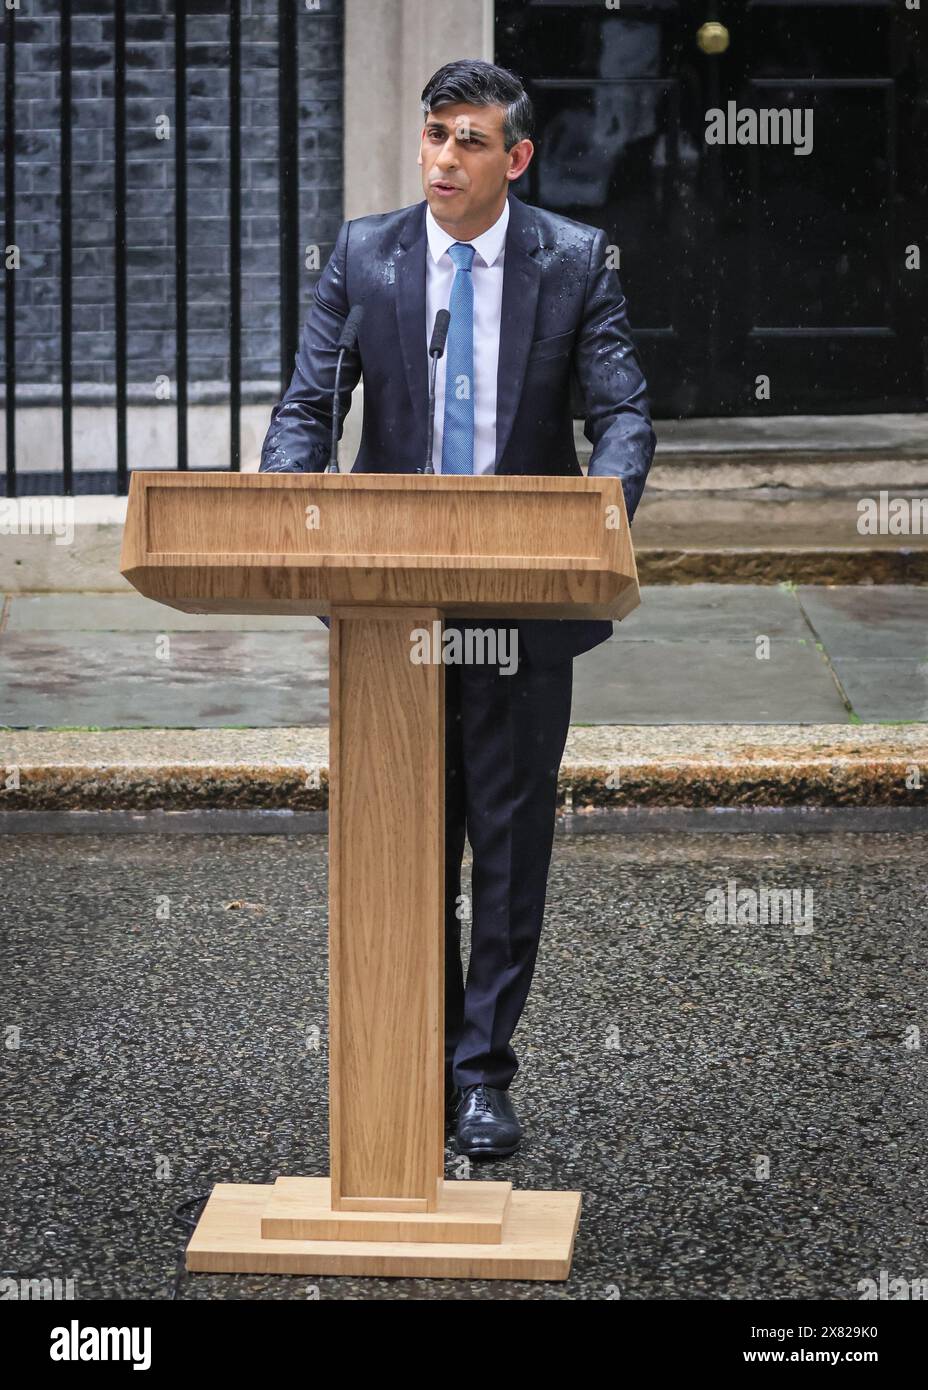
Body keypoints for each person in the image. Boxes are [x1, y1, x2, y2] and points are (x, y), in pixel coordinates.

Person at [259, 58, 655, 1159]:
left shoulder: (572, 263)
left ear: (516, 158)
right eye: (435, 135)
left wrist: (598, 516)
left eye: (471, 141)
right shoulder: (366, 257)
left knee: (507, 845)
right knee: (406, 842)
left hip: (521, 602)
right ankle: (418, 1057)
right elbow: (309, 404)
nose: (444, 158)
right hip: (394, 606)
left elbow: (622, 413)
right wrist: (293, 506)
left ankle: (483, 1075)